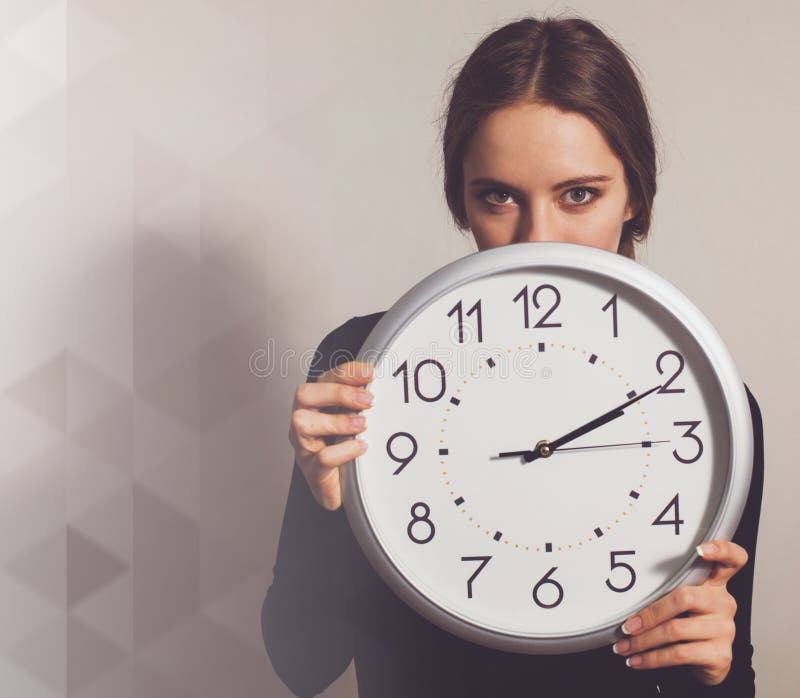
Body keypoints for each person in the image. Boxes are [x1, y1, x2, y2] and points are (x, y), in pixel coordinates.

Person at [262, 15, 764, 697]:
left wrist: (714, 667)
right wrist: (333, 514)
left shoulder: (712, 414)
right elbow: (302, 666)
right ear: (461, 201)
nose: (538, 238)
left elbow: (716, 678)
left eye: (578, 195)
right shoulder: (368, 365)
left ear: (635, 198)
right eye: (498, 196)